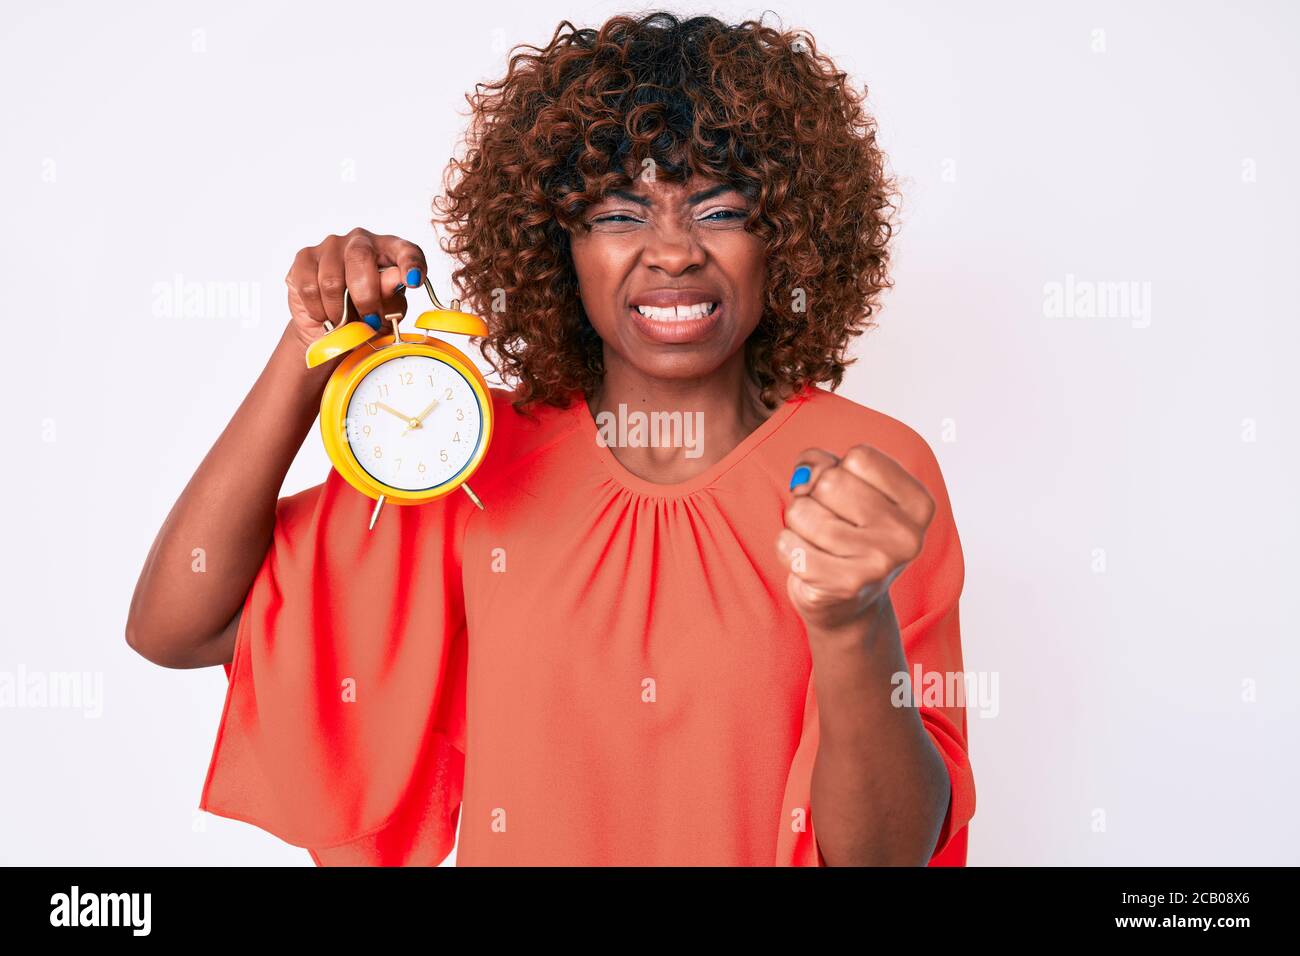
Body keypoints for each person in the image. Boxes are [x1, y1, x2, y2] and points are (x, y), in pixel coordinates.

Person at [126, 10, 974, 866]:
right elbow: (181, 627)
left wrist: (852, 619)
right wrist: (313, 344)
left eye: (720, 209)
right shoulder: (471, 460)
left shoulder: (870, 475)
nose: (673, 253)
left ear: (788, 236)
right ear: (553, 243)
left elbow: (889, 855)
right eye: (618, 215)